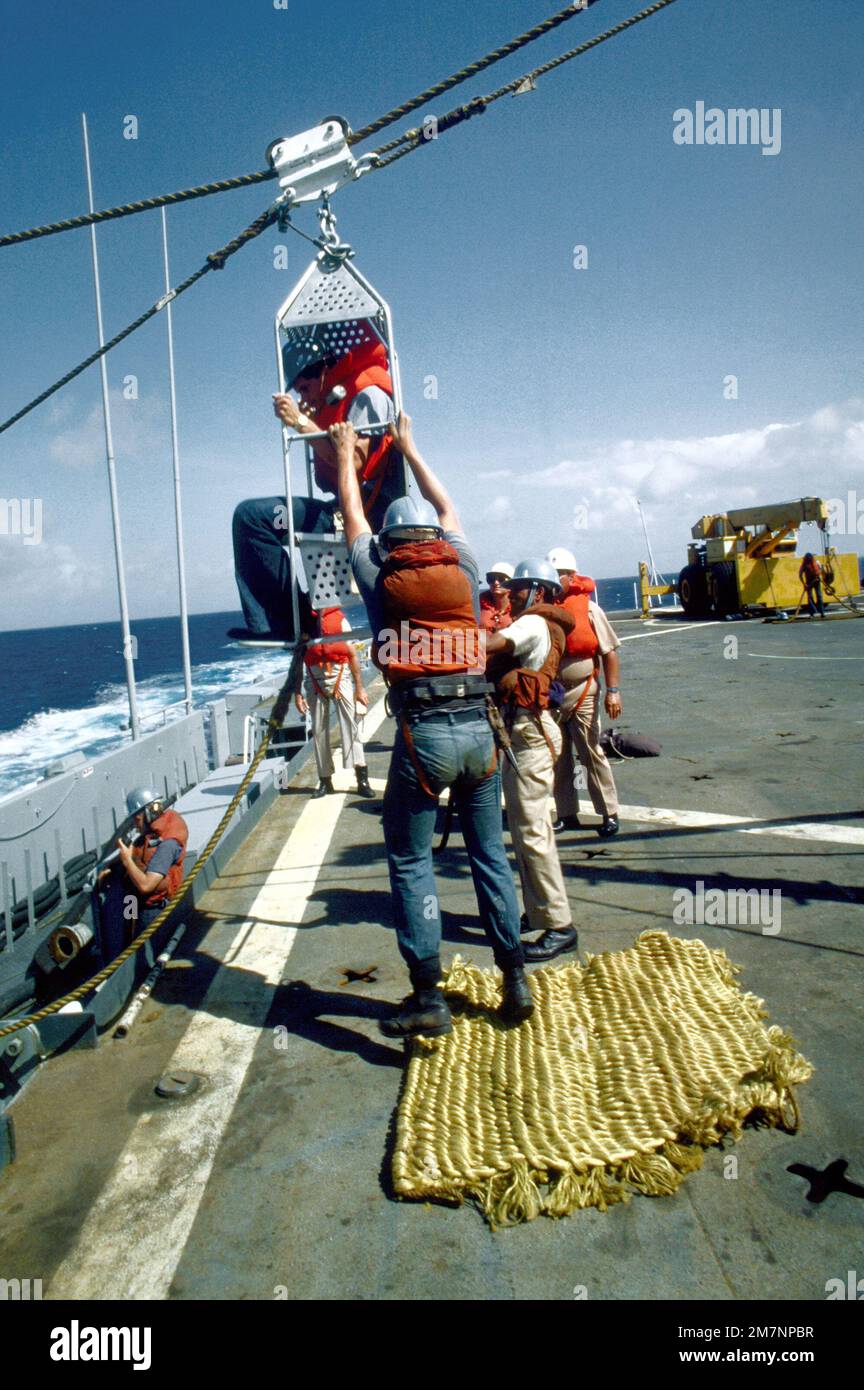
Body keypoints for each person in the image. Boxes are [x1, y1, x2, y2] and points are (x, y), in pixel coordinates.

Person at [333, 412, 533, 1039]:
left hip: (424, 739)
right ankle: (515, 978)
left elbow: (352, 516)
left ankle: (427, 996)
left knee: (410, 859)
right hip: (482, 731)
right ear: (436, 537)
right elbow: (449, 506)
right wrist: (412, 447)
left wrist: (344, 454)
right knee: (491, 858)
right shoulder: (468, 569)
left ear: (394, 542)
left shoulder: (381, 576)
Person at [229, 338, 401, 643]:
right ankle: (289, 618)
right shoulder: (335, 402)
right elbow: (329, 479)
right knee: (251, 518)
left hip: (366, 519)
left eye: (302, 384)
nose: (299, 391)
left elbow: (355, 464)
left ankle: (284, 622)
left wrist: (302, 423)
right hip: (344, 507)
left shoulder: (368, 396)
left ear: (320, 370)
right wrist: (316, 420)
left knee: (252, 517)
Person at [484, 560, 579, 964]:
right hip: (527, 731)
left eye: (519, 587)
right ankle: (540, 910)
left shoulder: (532, 623)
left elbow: (490, 646)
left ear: (538, 592)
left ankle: (560, 926)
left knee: (534, 832)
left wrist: (442, 638)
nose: (510, 592)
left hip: (529, 734)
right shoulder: (545, 624)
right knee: (527, 830)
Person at [547, 547, 622, 838]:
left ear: (571, 576)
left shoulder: (590, 610)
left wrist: (613, 691)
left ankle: (609, 812)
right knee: (557, 755)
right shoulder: (545, 610)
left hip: (583, 692)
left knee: (591, 752)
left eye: (559, 576)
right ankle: (566, 813)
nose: (555, 581)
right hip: (552, 696)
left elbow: (609, 652)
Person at [294, 606, 375, 799]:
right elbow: (297, 660)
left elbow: (352, 654)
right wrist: (297, 693)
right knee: (319, 731)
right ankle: (324, 781)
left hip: (340, 675)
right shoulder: (303, 623)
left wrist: (359, 688)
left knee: (350, 727)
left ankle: (362, 779)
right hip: (314, 679)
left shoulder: (341, 621)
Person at [99, 788, 188, 961]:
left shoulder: (167, 845)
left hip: (153, 909)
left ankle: (140, 972)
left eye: (137, 819)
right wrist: (112, 867)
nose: (135, 824)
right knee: (127, 936)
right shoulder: (152, 833)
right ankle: (125, 949)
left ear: (149, 813)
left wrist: (126, 860)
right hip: (131, 900)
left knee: (143, 951)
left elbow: (146, 886)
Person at [479, 562, 514, 631]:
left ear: (511, 583)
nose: (496, 582)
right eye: (491, 579)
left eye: (501, 579)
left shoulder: (519, 608)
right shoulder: (477, 604)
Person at [799, 552, 826, 618]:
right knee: (810, 597)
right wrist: (804, 584)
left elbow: (821, 569)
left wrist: (821, 577)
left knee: (819, 596)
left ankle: (822, 612)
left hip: (816, 581)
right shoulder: (804, 565)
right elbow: (800, 574)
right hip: (809, 582)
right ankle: (812, 612)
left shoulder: (817, 562)